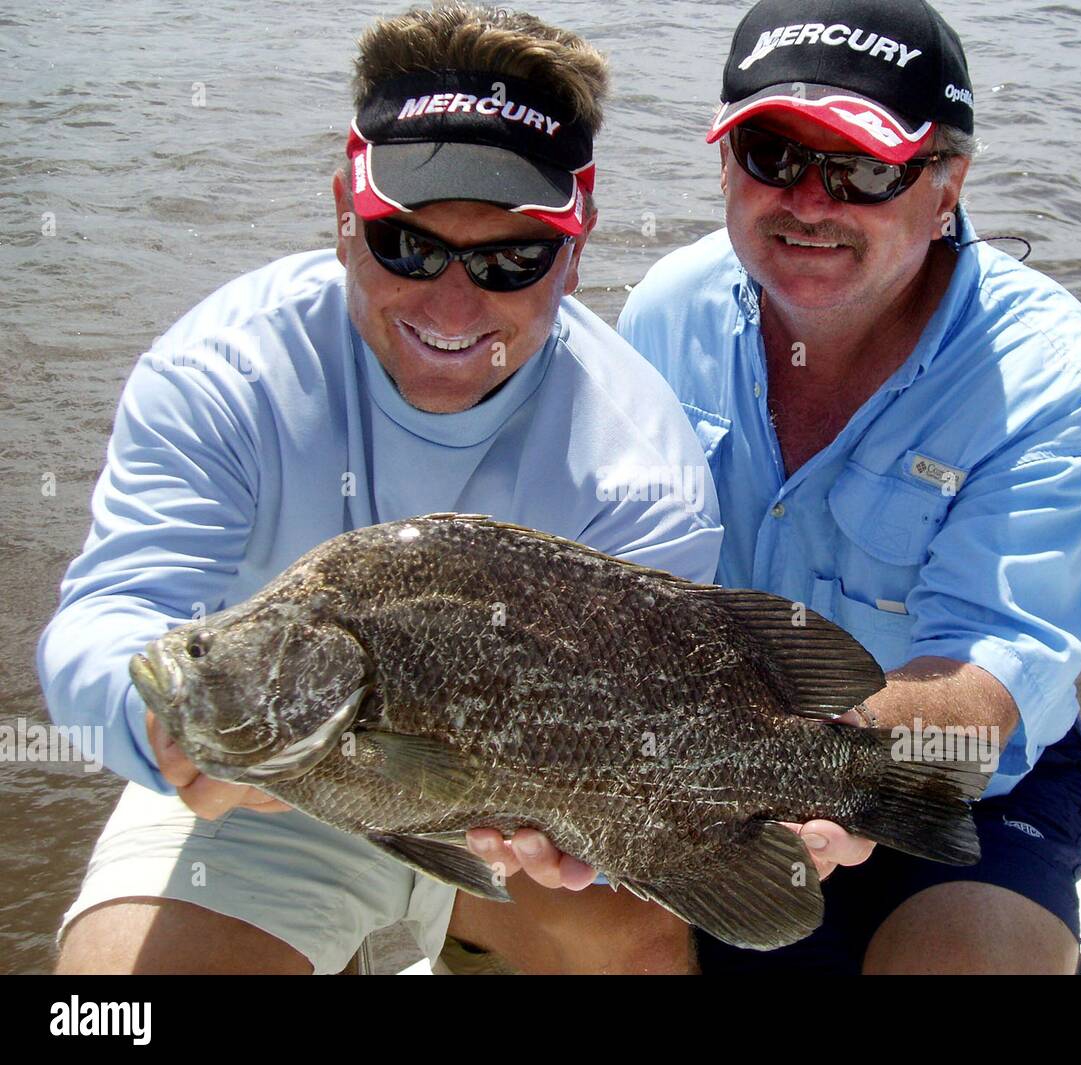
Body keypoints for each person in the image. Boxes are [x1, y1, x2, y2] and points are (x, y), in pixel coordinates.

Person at [39, 2, 721, 974]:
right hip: (269, 796)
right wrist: (156, 725)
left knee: (636, 952)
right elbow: (111, 610)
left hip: (526, 816)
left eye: (509, 259)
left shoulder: (642, 473)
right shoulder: (224, 372)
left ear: (578, 246)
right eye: (406, 244)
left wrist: (604, 825)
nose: (451, 304)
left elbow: (659, 715)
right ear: (340, 213)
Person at [614, 0, 1081, 973]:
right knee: (526, 909)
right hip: (704, 769)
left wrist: (834, 769)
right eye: (770, 153)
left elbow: (985, 675)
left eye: (865, 168)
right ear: (724, 164)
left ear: (944, 186)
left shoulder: (1055, 386)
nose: (809, 201)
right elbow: (620, 583)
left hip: (976, 792)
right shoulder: (667, 310)